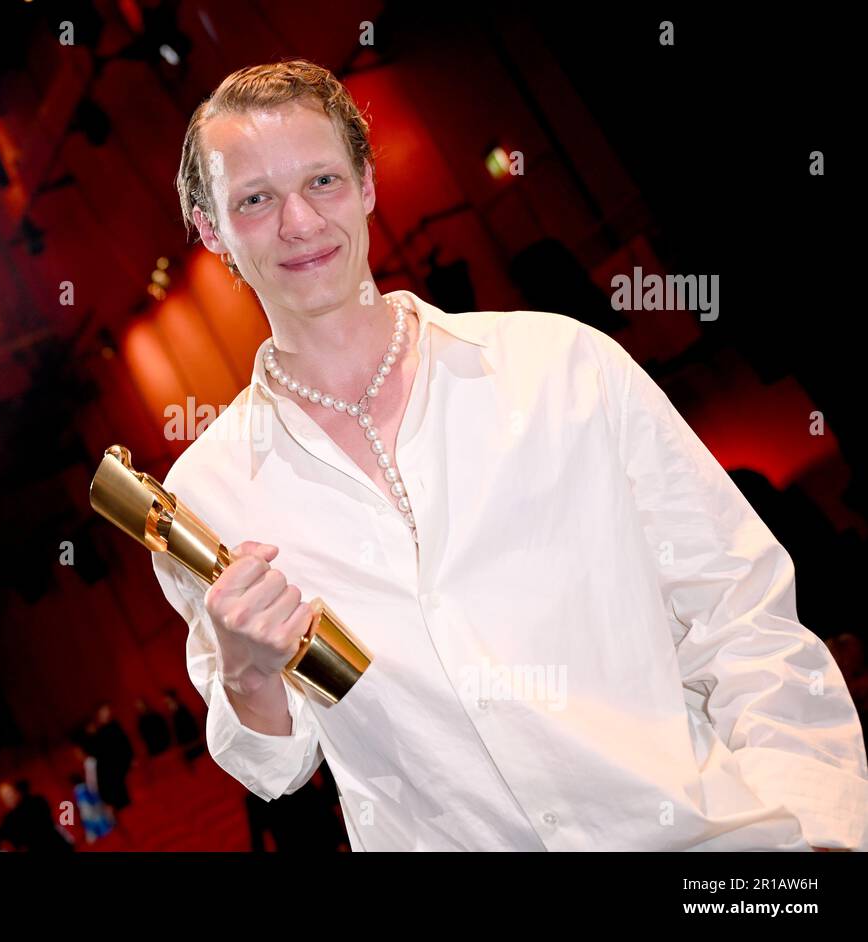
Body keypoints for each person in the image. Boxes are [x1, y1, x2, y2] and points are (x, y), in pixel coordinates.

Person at [153, 58, 868, 850]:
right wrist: (249, 670)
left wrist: (817, 846)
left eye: (321, 181)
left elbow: (741, 619)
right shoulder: (208, 496)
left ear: (366, 185)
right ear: (211, 227)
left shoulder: (562, 366)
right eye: (255, 199)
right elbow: (273, 768)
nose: (298, 222)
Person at [88, 703, 135, 812]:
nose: (106, 713)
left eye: (107, 710)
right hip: (110, 769)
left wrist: (130, 757)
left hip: (120, 764)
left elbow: (124, 743)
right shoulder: (99, 733)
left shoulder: (115, 726)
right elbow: (98, 752)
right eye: (103, 711)